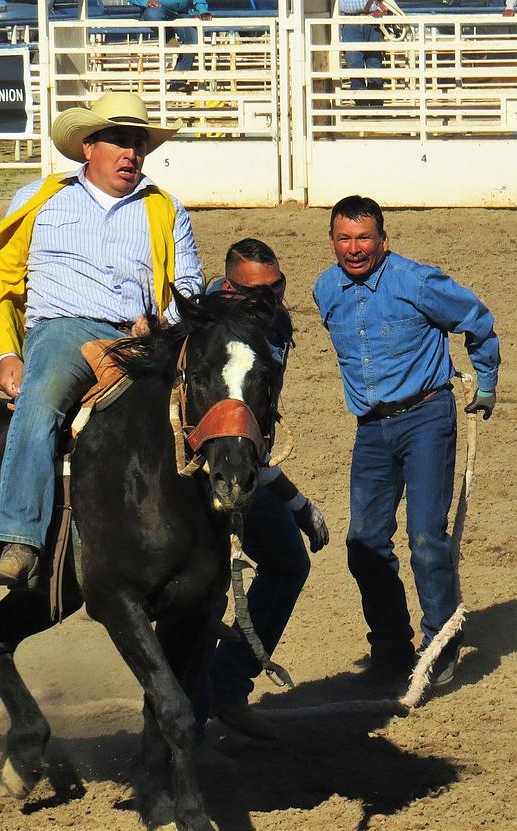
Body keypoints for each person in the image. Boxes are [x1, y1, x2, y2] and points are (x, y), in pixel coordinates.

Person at [0, 90, 203, 586]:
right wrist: (7, 353)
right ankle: (19, 537)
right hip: (64, 330)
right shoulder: (40, 199)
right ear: (88, 147)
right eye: (119, 141)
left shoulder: (165, 208)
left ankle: (219, 526)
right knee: (42, 401)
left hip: (142, 338)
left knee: (208, 405)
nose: (131, 154)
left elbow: (188, 284)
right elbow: (0, 279)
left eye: (137, 144)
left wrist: (161, 319)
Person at [312, 195, 500, 689]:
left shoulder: (416, 281)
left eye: (364, 238)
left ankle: (441, 641)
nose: (355, 249)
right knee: (364, 543)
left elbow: (476, 318)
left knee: (424, 537)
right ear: (332, 242)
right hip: (371, 427)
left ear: (384, 240)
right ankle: (392, 648)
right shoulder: (324, 288)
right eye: (345, 239)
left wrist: (485, 381)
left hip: (426, 417)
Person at [197, 239, 329, 742]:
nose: (272, 299)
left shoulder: (275, 324)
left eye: (278, 287)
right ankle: (185, 728)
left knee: (288, 562)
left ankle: (227, 686)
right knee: (203, 593)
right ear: (228, 289)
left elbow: (258, 430)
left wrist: (293, 500)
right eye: (258, 291)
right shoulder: (206, 327)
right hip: (196, 475)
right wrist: (296, 502)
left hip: (245, 468)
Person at [128, 0, 212, 93]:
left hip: (182, 14)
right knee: (152, 15)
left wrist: (203, 10)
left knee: (193, 39)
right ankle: (167, 35)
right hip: (157, 10)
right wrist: (145, 2)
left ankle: (178, 81)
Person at [339, 0, 388, 102]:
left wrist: (383, 9)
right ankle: (361, 103)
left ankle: (375, 103)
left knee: (374, 62)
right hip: (353, 20)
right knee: (354, 63)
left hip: (372, 20)